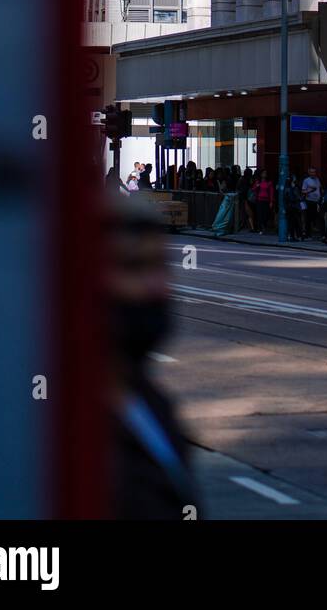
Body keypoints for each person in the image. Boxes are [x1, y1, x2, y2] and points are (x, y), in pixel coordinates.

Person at [107, 194, 201, 519]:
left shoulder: (152, 402)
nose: (157, 286)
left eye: (161, 266)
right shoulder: (47, 422)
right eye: (134, 267)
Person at [301, 166, 322, 239]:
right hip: (309, 201)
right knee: (308, 218)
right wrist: (310, 190)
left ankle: (313, 231)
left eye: (314, 172)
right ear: (309, 172)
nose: (313, 173)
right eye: (312, 172)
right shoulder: (306, 180)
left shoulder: (317, 180)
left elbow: (319, 189)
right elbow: (303, 191)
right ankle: (307, 233)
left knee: (315, 217)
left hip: (317, 201)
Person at [253, 169, 275, 233]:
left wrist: (271, 201)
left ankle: (264, 226)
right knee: (260, 214)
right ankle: (261, 228)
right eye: (263, 173)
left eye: (265, 173)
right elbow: (253, 189)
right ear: (261, 174)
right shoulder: (258, 181)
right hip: (259, 200)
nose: (264, 174)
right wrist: (256, 186)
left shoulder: (269, 182)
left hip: (266, 200)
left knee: (266, 215)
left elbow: (271, 192)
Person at [283, 174, 303, 241]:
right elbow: (297, 197)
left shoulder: (286, 188)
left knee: (290, 223)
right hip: (294, 207)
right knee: (296, 222)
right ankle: (296, 236)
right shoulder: (294, 188)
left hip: (288, 207)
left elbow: (285, 198)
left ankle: (290, 236)